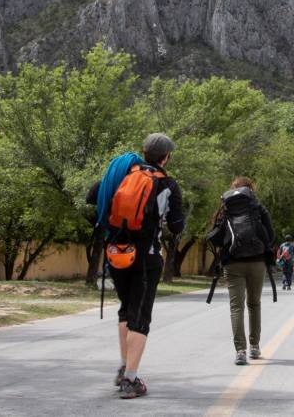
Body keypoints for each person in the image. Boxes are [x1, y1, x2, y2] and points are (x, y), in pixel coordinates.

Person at [86, 132, 185, 399]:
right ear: (166, 157)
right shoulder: (168, 185)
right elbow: (177, 225)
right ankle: (131, 380)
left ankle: (123, 367)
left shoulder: (124, 173)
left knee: (126, 310)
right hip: (146, 256)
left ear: (144, 153)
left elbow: (91, 196)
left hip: (117, 252)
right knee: (140, 317)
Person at [208, 176, 275, 365]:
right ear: (251, 190)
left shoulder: (225, 209)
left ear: (232, 189)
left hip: (232, 263)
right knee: (254, 304)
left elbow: (216, 237)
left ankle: (240, 351)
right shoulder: (258, 208)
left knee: (236, 307)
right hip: (257, 263)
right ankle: (255, 346)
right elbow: (270, 235)